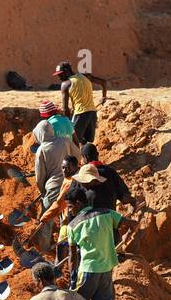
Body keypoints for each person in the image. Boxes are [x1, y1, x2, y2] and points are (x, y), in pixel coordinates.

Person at [59, 183, 126, 300]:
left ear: (79, 203)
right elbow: (127, 223)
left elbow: (72, 257)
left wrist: (72, 280)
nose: (69, 211)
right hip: (106, 270)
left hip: (88, 272)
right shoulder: (106, 213)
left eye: (71, 207)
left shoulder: (73, 225)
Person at [30, 119, 79, 250]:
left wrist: (43, 191)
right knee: (71, 216)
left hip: (53, 187)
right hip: (71, 184)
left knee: (46, 220)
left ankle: (44, 250)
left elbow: (40, 176)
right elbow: (78, 156)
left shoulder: (41, 149)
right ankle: (72, 247)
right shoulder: (64, 141)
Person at [56, 62, 108, 146]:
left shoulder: (66, 84)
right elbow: (104, 82)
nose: (59, 77)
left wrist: (68, 123)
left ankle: (77, 159)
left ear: (66, 71)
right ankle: (89, 158)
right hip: (92, 113)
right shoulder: (85, 76)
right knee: (87, 143)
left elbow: (65, 109)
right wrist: (103, 97)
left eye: (60, 74)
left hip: (80, 115)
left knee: (73, 143)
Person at [78, 143, 133, 212]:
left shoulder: (83, 175)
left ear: (85, 157)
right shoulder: (110, 171)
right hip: (110, 215)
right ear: (97, 154)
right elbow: (124, 196)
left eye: (82, 157)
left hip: (90, 217)